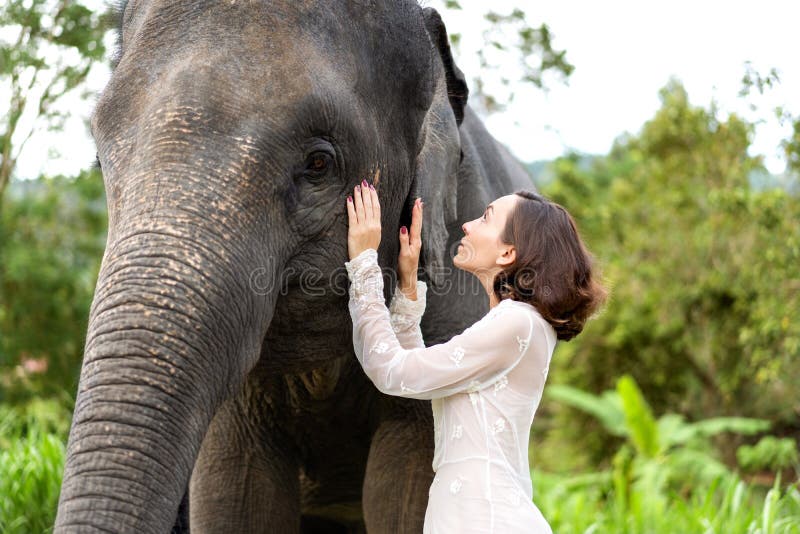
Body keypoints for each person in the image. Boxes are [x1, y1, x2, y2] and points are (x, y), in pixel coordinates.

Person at [344, 178, 607, 533]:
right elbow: (420, 377)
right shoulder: (518, 323)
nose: (467, 225)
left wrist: (364, 265)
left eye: (486, 218)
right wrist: (407, 289)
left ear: (507, 254)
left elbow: (393, 371)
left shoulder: (516, 322)